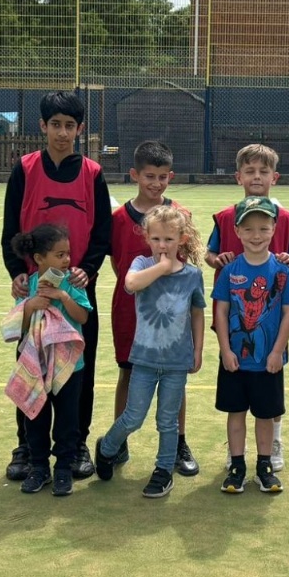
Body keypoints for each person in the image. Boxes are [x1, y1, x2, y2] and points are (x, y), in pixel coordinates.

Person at [2, 91, 112, 483]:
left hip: (76, 291)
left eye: (70, 126)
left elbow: (102, 232)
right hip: (35, 292)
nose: (62, 133)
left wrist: (89, 270)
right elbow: (10, 228)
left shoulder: (93, 173)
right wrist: (17, 272)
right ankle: (27, 447)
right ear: (43, 126)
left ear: (79, 129)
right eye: (55, 125)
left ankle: (76, 443)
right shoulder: (26, 169)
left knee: (79, 371)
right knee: (29, 367)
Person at [94, 207, 206, 498]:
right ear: (146, 237)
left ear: (182, 238)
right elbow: (130, 285)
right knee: (133, 416)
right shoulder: (141, 264)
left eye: (169, 239)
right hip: (143, 359)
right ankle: (106, 448)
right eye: (156, 238)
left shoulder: (193, 275)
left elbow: (197, 313)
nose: (162, 245)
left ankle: (163, 470)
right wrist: (161, 267)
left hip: (176, 362)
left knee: (167, 420)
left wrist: (199, 349)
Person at [205, 144, 289, 469]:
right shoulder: (225, 217)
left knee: (269, 382)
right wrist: (216, 260)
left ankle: (272, 441)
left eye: (263, 171)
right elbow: (209, 254)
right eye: (250, 171)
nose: (257, 177)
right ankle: (237, 455)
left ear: (274, 177)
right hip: (232, 314)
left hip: (270, 318)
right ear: (238, 177)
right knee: (236, 385)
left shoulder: (286, 220)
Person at [108, 140, 199, 476]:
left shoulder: (181, 215)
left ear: (170, 176)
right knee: (128, 373)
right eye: (149, 176)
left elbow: (187, 266)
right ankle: (118, 443)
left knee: (175, 378)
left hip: (173, 316)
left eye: (162, 176)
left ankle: (178, 444)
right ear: (134, 174)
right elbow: (119, 266)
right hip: (130, 311)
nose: (156, 183)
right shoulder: (118, 219)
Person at [11, 224, 93, 496]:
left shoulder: (72, 281)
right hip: (37, 365)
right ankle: (39, 467)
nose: (67, 260)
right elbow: (17, 327)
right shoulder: (28, 285)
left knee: (68, 420)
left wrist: (63, 296)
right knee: (35, 418)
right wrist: (30, 306)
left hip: (70, 367)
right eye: (59, 255)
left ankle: (63, 469)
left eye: (68, 254)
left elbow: (82, 317)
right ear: (39, 259)